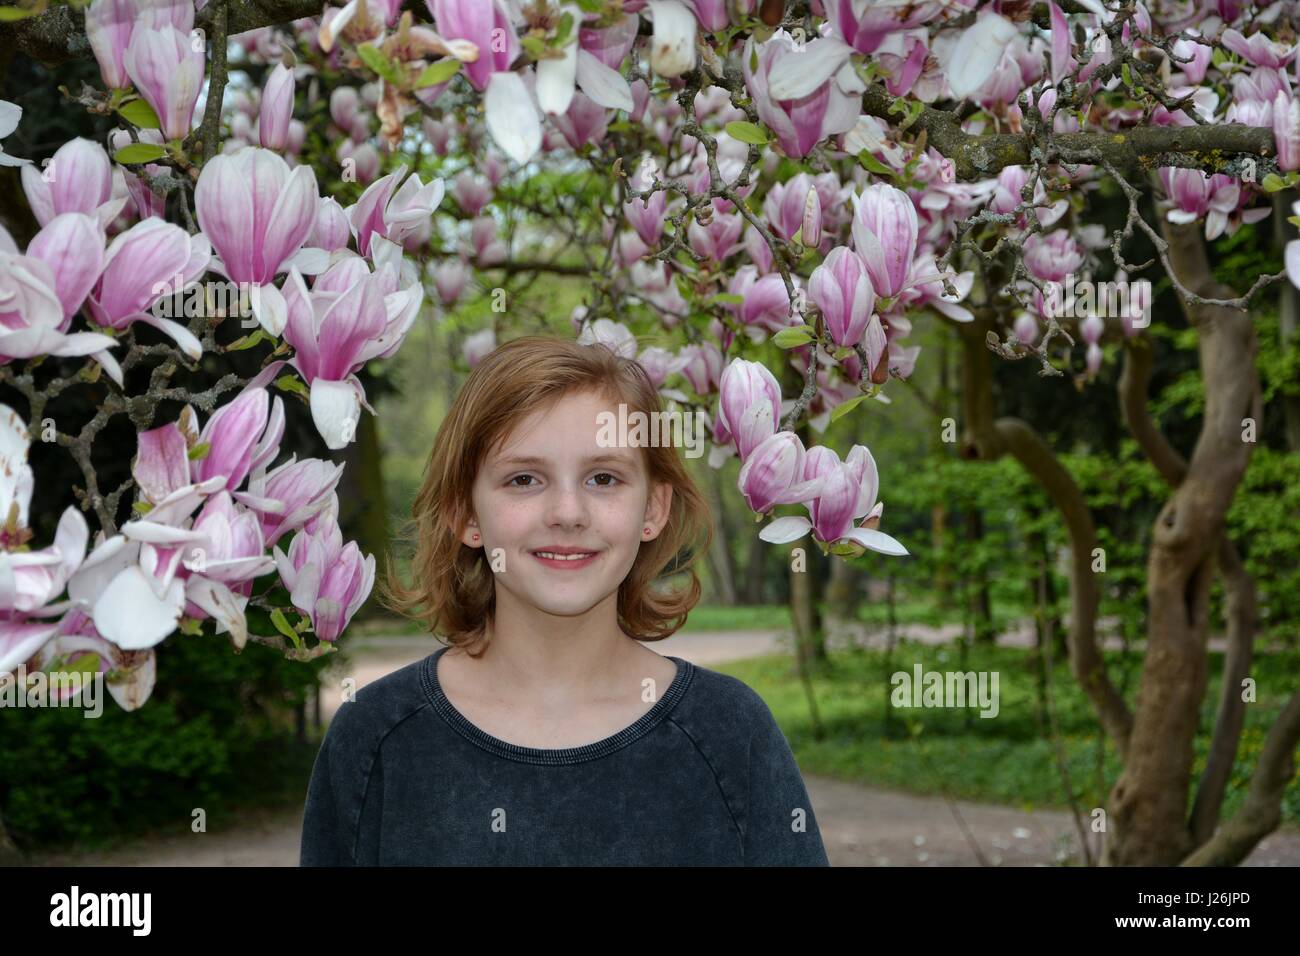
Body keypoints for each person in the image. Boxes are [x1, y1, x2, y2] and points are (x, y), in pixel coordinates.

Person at [298, 334, 830, 866]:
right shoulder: (376, 737)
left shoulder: (731, 732)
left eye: (604, 478)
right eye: (524, 479)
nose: (568, 512)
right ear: (466, 514)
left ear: (654, 508)